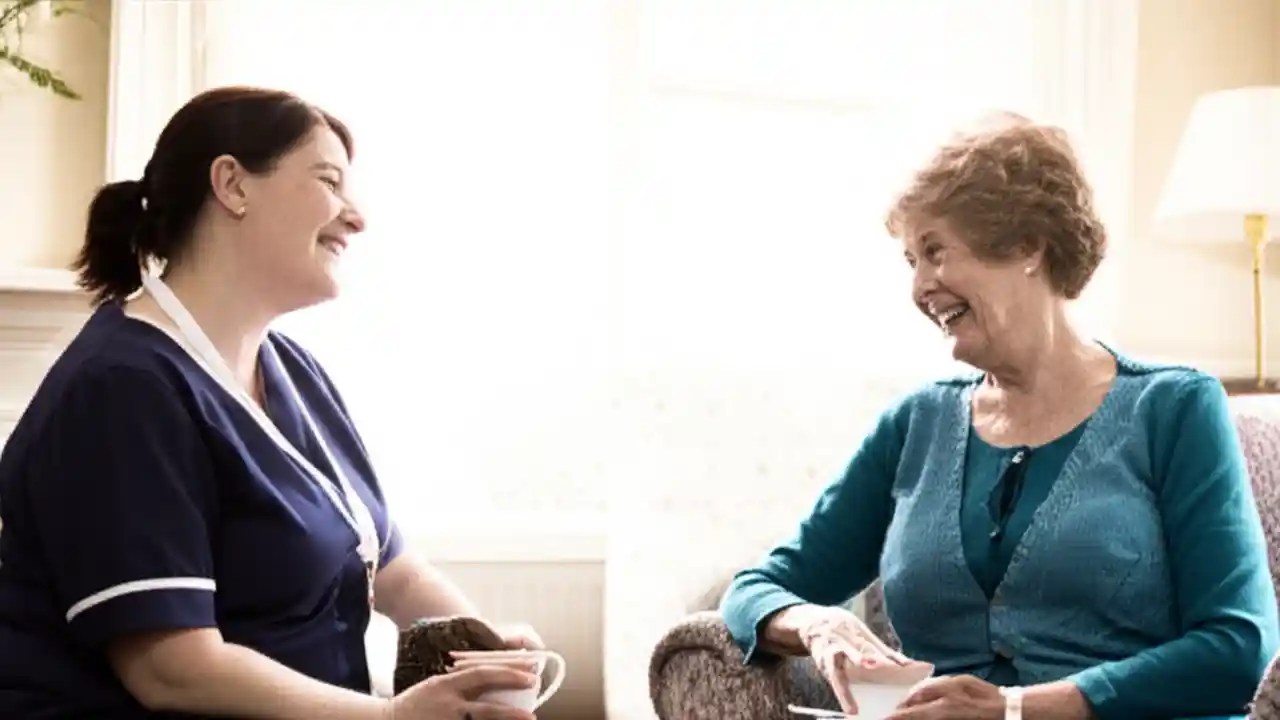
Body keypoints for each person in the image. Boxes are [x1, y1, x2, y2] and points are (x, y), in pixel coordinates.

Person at [0, 86, 544, 719]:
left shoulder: (291, 369)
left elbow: (389, 566)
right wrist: (395, 717)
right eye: (328, 181)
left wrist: (484, 651)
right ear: (232, 185)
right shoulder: (121, 390)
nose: (356, 215)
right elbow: (171, 670)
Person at [720, 114, 1280, 720]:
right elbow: (755, 589)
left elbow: (1239, 646)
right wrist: (814, 625)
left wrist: (1017, 708)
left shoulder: (1173, 408)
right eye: (910, 260)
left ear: (1026, 246)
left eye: (934, 252)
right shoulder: (916, 425)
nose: (918, 287)